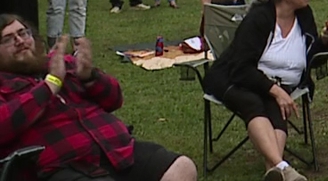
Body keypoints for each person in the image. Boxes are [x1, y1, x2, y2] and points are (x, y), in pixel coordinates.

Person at [0, 16, 198, 181]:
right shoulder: (4, 84)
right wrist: (50, 85)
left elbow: (115, 100)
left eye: (23, 33)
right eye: (8, 39)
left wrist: (89, 76)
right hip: (64, 165)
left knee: (182, 168)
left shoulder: (61, 63)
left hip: (116, 150)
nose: (20, 41)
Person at [202, 0, 328, 181]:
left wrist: (324, 38)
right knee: (253, 102)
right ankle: (283, 167)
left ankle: (275, 171)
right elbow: (241, 67)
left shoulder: (304, 15)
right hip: (239, 79)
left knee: (276, 107)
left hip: (281, 84)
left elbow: (312, 58)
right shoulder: (259, 19)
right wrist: (276, 91)